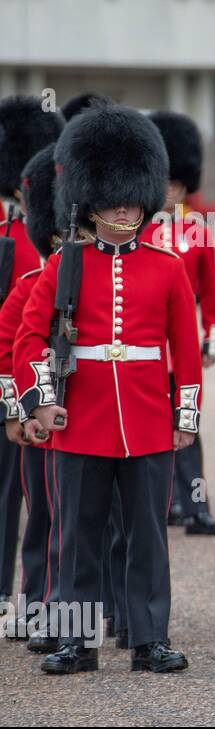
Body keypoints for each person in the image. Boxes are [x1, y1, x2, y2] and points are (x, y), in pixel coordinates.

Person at [18, 102, 202, 674]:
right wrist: (43, 399)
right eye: (112, 199)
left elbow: (186, 353)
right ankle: (76, 641)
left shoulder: (167, 267)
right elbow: (29, 339)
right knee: (79, 537)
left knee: (148, 536)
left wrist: (185, 418)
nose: (123, 210)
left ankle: (148, 639)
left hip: (147, 417)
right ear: (89, 201)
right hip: (83, 418)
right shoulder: (62, 266)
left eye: (131, 199)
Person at [146, 110, 215, 537]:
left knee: (188, 427)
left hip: (182, 348)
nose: (168, 192)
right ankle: (162, 504)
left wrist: (211, 341)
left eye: (175, 186)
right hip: (146, 349)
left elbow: (211, 296)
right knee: (150, 433)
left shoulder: (196, 231)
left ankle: (195, 506)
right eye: (163, 184)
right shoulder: (138, 232)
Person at [0, 95, 62, 609]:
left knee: (45, 500)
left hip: (31, 379)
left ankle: (49, 599)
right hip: (11, 374)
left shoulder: (44, 246)